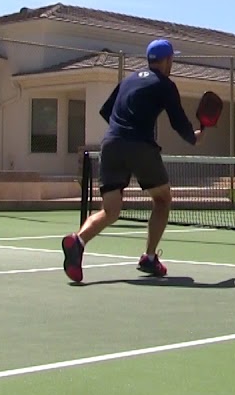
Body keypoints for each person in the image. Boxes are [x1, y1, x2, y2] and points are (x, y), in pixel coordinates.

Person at [61, 39, 204, 283]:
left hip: (110, 144)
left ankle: (78, 241)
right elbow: (179, 123)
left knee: (110, 211)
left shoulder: (127, 80)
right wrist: (194, 137)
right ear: (167, 60)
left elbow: (107, 112)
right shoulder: (165, 84)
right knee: (162, 199)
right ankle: (149, 257)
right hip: (139, 146)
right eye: (172, 59)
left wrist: (123, 131)